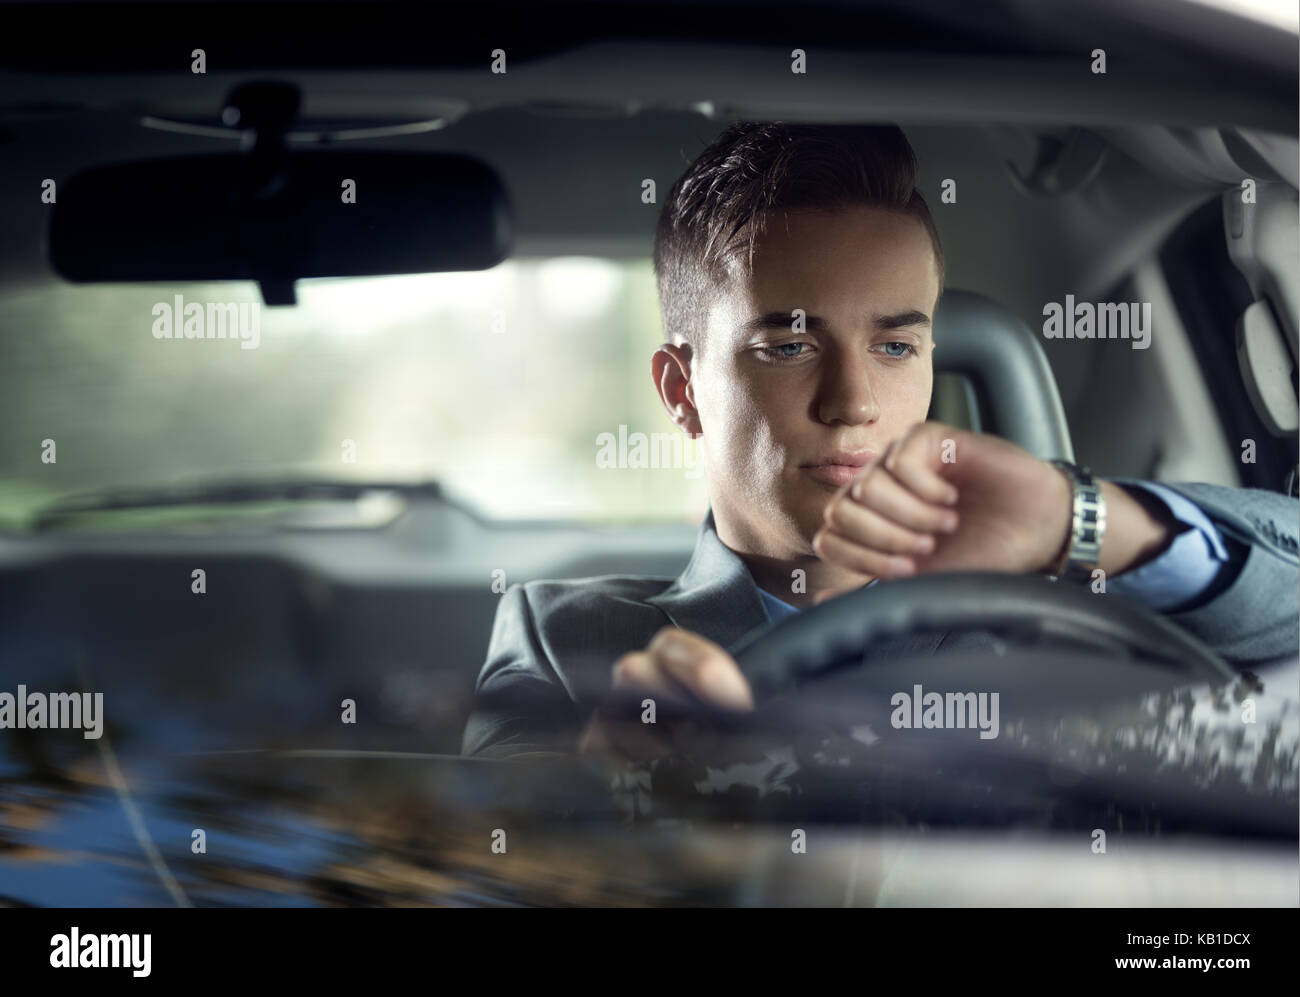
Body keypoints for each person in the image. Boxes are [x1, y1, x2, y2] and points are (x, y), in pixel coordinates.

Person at [461, 122, 1299, 763]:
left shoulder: (1087, 617)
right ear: (683, 391)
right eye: (789, 346)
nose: (853, 402)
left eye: (895, 347)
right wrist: (614, 803)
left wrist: (1078, 520)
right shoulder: (566, 642)